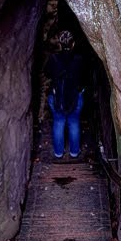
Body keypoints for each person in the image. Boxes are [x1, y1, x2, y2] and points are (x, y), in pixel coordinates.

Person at [45, 30, 86, 159]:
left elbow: (46, 73)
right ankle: (74, 152)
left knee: (59, 122)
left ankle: (58, 153)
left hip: (57, 96)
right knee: (74, 122)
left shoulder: (53, 59)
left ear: (60, 44)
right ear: (73, 44)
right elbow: (86, 77)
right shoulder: (79, 60)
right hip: (75, 96)